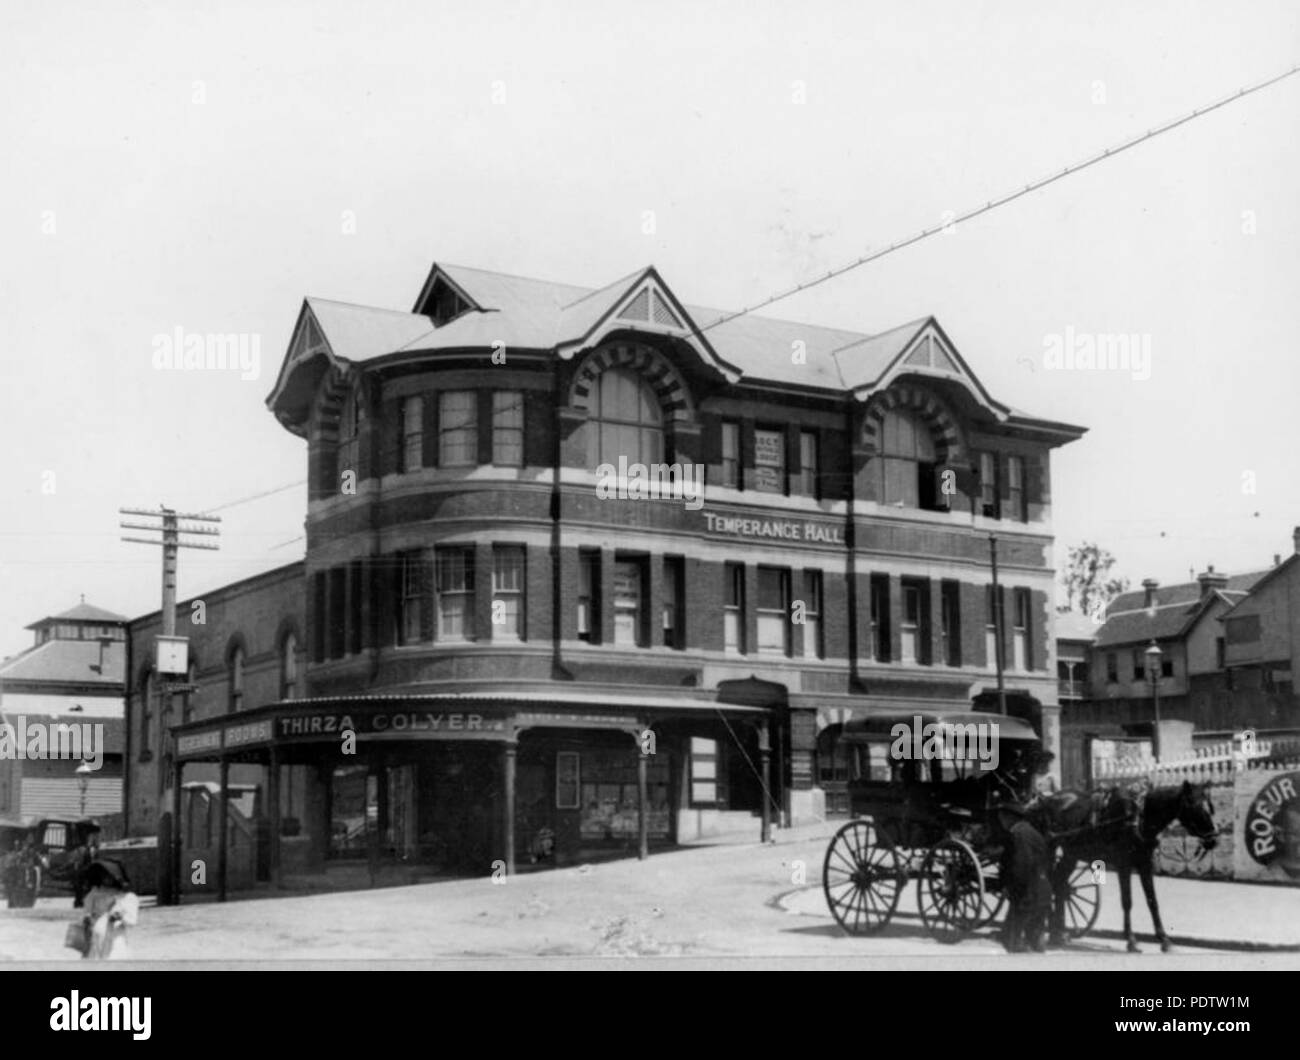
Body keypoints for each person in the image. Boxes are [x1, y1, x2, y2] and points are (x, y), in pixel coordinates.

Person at [80, 859, 138, 960]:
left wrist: (120, 917)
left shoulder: (126, 897)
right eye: (103, 874)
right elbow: (87, 911)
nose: (105, 878)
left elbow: (132, 921)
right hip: (96, 937)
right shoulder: (94, 894)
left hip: (115, 939)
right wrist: (87, 918)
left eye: (108, 875)